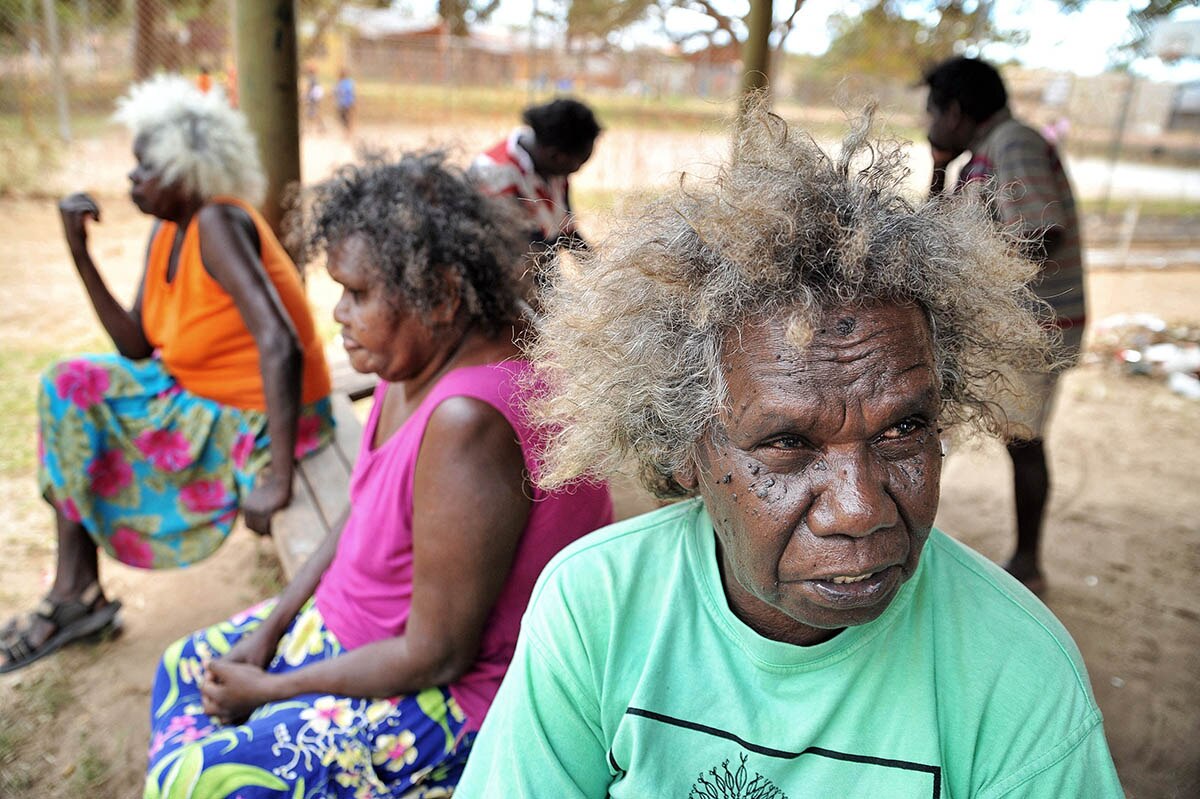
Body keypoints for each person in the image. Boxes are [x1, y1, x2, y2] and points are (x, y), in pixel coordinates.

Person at [455, 106, 1123, 796]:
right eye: (787, 443)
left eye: (903, 430)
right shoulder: (597, 605)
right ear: (687, 447)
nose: (859, 508)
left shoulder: (1020, 672)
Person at [144, 153, 614, 798]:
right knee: (181, 668)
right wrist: (270, 629)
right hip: (359, 630)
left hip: (456, 692)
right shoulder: (411, 366)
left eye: (358, 293)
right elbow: (363, 506)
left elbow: (439, 654)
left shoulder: (468, 421)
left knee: (204, 778)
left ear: (443, 294)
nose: (338, 313)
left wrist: (276, 688)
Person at [0, 75, 334, 674]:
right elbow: (135, 345)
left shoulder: (217, 224)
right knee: (66, 385)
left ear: (190, 171)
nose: (132, 180)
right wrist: (80, 255)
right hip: (193, 390)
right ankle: (75, 594)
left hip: (261, 416)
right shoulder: (170, 230)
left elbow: (280, 345)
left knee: (71, 392)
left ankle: (72, 598)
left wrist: (279, 480)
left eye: (145, 168)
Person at [924, 56, 1087, 594]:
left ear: (954, 109)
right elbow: (934, 237)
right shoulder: (979, 158)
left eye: (932, 110)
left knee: (1021, 439)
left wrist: (981, 273)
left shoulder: (1012, 143)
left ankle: (1029, 563)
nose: (927, 122)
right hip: (1008, 325)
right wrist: (939, 169)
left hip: (1032, 328)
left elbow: (1043, 232)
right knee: (933, 422)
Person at [470, 97, 601, 264]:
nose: (576, 171)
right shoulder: (493, 174)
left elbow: (565, 229)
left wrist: (600, 271)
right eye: (579, 163)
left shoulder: (553, 169)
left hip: (542, 272)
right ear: (556, 156)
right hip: (512, 277)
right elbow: (518, 252)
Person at [334, 69, 356, 136]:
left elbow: (349, 93)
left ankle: (349, 133)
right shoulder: (340, 83)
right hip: (342, 104)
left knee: (347, 118)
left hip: (347, 103)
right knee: (343, 118)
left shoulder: (347, 83)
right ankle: (347, 132)